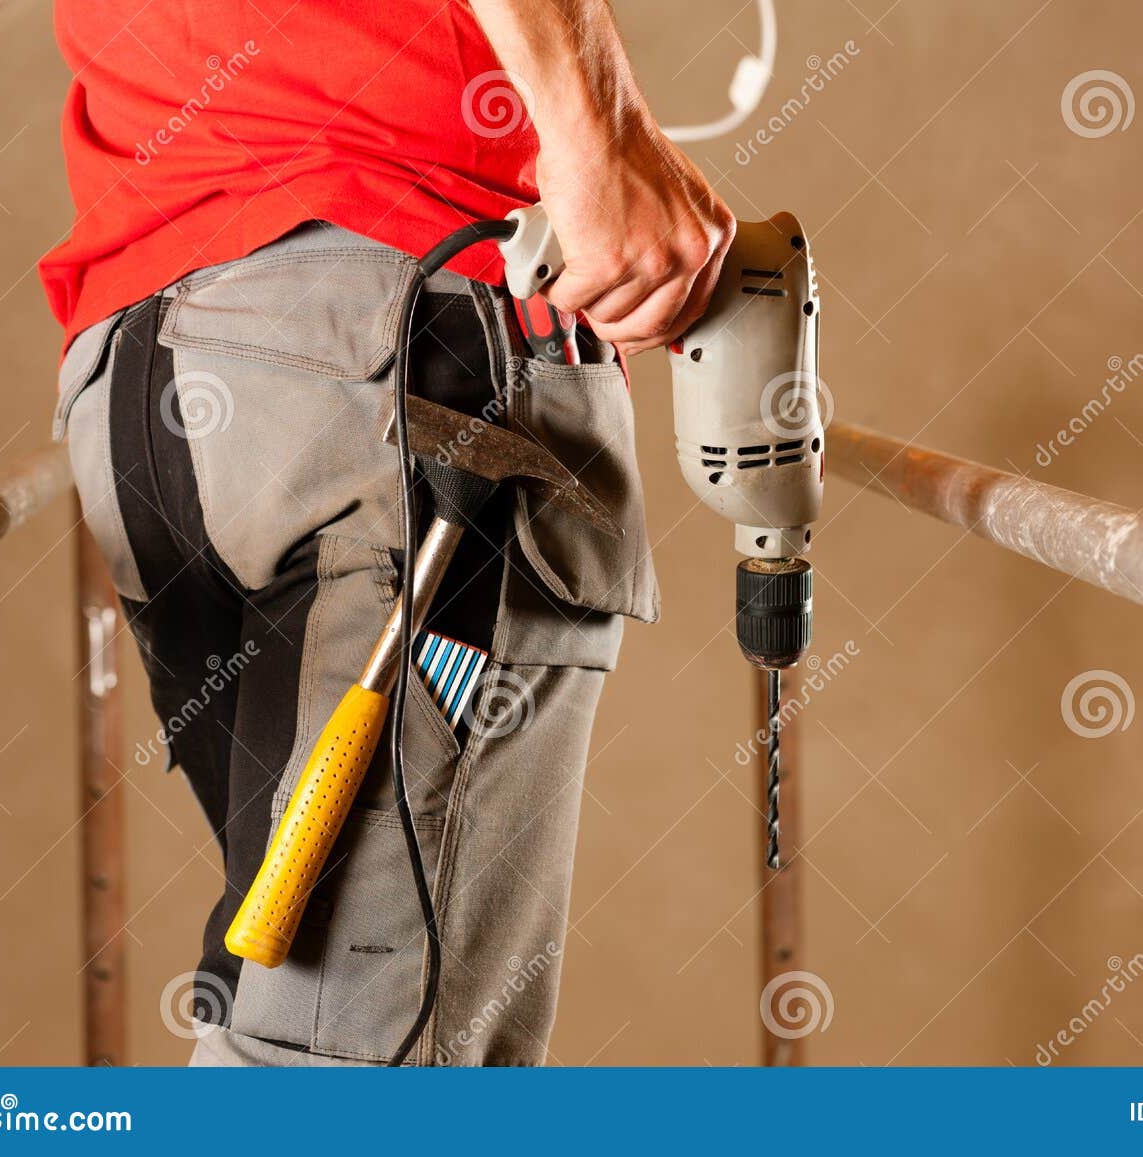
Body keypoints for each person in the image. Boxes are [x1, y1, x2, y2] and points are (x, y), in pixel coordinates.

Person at [40, 0, 734, 1066]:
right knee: (371, 1064)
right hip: (398, 338)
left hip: (161, 374)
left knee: (300, 1001)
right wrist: (604, 137)